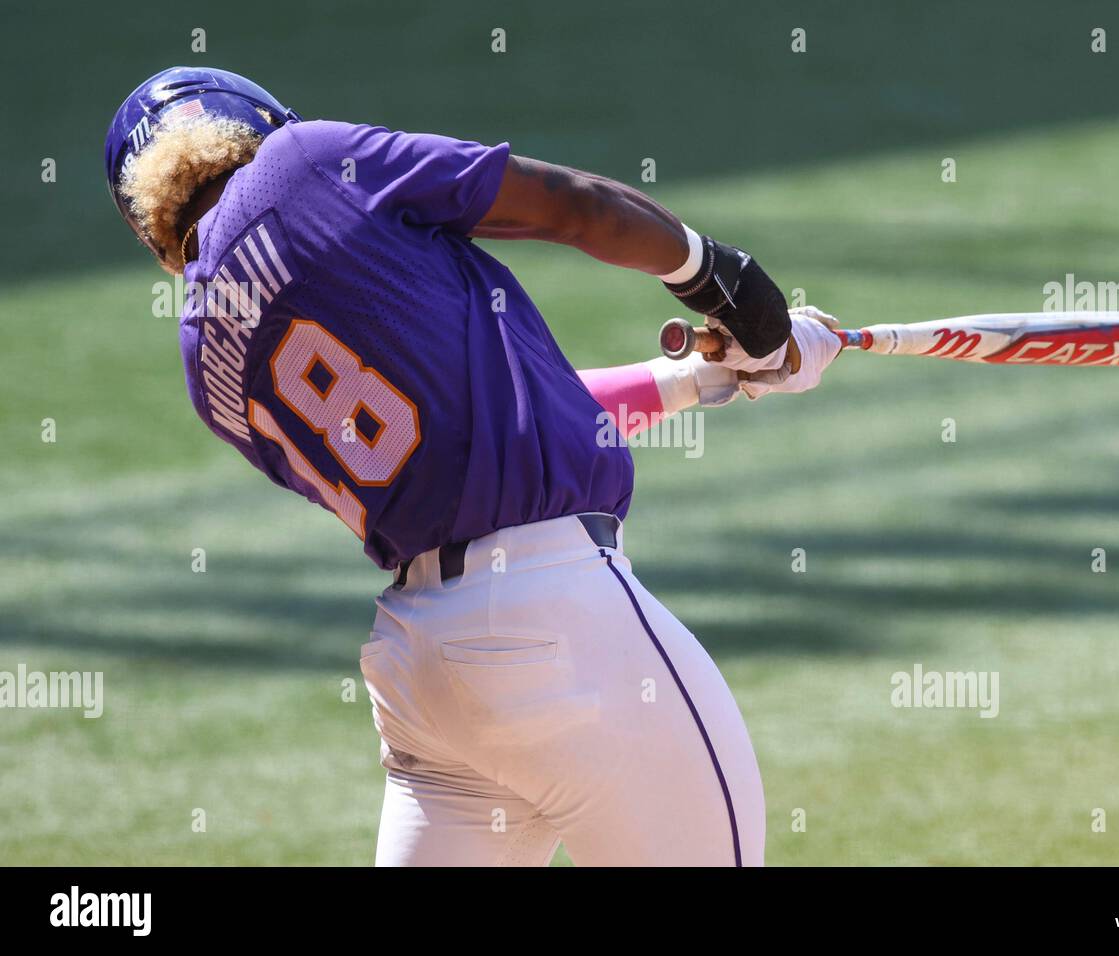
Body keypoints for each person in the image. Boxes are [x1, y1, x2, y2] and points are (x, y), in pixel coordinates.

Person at [105, 66, 842, 866]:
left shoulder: (202, 362)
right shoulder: (304, 164)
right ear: (256, 122)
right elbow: (572, 206)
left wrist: (697, 377)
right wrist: (724, 284)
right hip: (553, 626)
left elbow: (477, 428)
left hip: (428, 677)